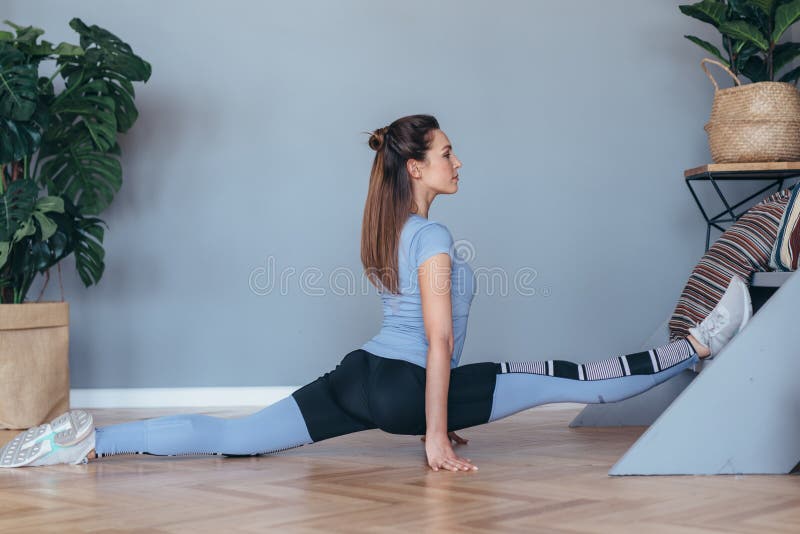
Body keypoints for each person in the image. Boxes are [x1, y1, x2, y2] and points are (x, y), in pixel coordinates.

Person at [0, 114, 752, 472]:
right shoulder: (433, 238)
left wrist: (445, 422)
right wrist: (432, 437)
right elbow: (438, 343)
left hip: (360, 377)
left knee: (234, 434)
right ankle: (701, 341)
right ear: (418, 168)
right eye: (448, 152)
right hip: (401, 388)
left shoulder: (389, 226)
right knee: (574, 379)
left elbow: (414, 340)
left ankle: (84, 439)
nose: (460, 159)